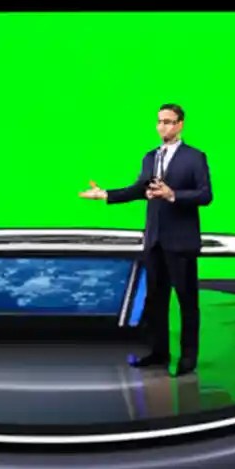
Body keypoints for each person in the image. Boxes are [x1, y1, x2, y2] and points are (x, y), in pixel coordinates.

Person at [79, 103, 212, 376]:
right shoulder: (150, 157)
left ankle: (188, 357)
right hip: (154, 241)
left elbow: (205, 195)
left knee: (187, 301)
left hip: (181, 242)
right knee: (156, 300)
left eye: (168, 121)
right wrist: (106, 195)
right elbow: (139, 189)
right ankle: (159, 353)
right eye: (159, 121)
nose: (163, 126)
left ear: (180, 124)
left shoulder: (195, 157)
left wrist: (172, 194)